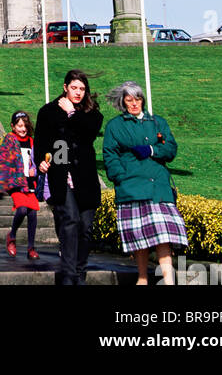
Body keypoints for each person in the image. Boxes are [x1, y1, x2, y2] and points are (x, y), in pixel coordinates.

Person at [102, 81, 187, 286]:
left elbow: (171, 149)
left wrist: (152, 150)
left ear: (143, 99)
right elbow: (109, 154)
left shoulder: (158, 122)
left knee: (163, 236)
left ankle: (168, 280)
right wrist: (120, 177)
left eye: (137, 99)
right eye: (129, 100)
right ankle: (142, 278)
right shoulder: (115, 126)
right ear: (123, 102)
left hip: (158, 187)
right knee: (140, 237)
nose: (134, 104)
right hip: (131, 187)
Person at [34, 68, 103, 286]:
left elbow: (90, 132)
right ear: (65, 88)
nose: (78, 92)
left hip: (85, 177)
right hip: (62, 175)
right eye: (74, 88)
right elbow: (42, 142)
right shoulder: (48, 112)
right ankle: (69, 275)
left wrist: (73, 113)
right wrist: (42, 162)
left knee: (86, 227)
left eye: (82, 89)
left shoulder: (90, 112)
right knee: (70, 220)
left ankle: (80, 273)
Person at [0, 109, 47, 259]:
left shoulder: (31, 141)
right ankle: (11, 236)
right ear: (13, 126)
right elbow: (1, 161)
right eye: (19, 126)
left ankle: (31, 247)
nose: (23, 129)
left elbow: (36, 161)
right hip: (16, 182)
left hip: (30, 183)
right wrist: (1, 184)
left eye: (25, 126)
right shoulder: (10, 139)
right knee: (22, 210)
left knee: (32, 214)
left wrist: (35, 170)